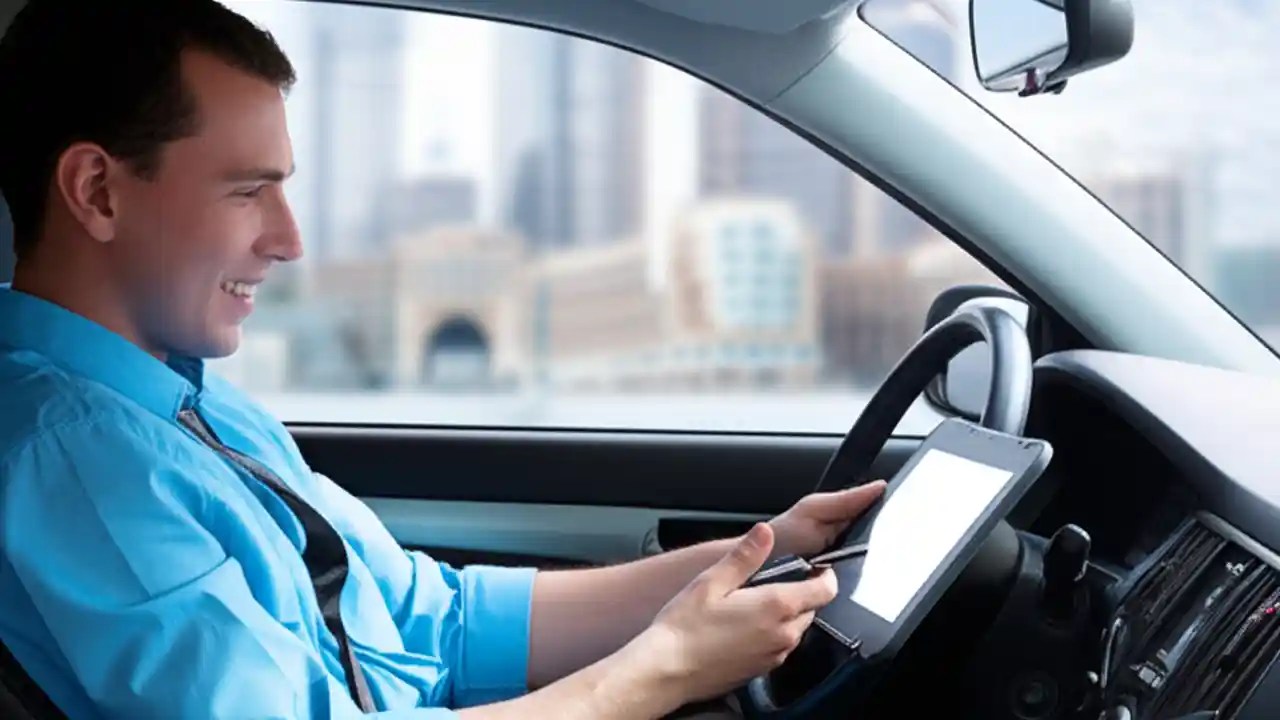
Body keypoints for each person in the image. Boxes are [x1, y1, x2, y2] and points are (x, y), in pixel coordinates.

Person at [0, 1, 886, 718]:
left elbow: (442, 620)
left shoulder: (188, 403)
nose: (289, 239)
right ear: (97, 191)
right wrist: (660, 671)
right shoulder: (76, 463)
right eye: (246, 191)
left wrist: (757, 552)